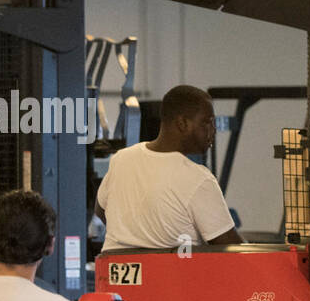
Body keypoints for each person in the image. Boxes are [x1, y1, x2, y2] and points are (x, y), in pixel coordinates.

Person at [95, 85, 243, 250]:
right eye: (206, 123)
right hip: (172, 273)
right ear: (182, 123)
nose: (213, 130)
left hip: (114, 270)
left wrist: (137, 237)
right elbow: (233, 248)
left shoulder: (122, 158)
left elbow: (101, 210)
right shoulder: (198, 178)